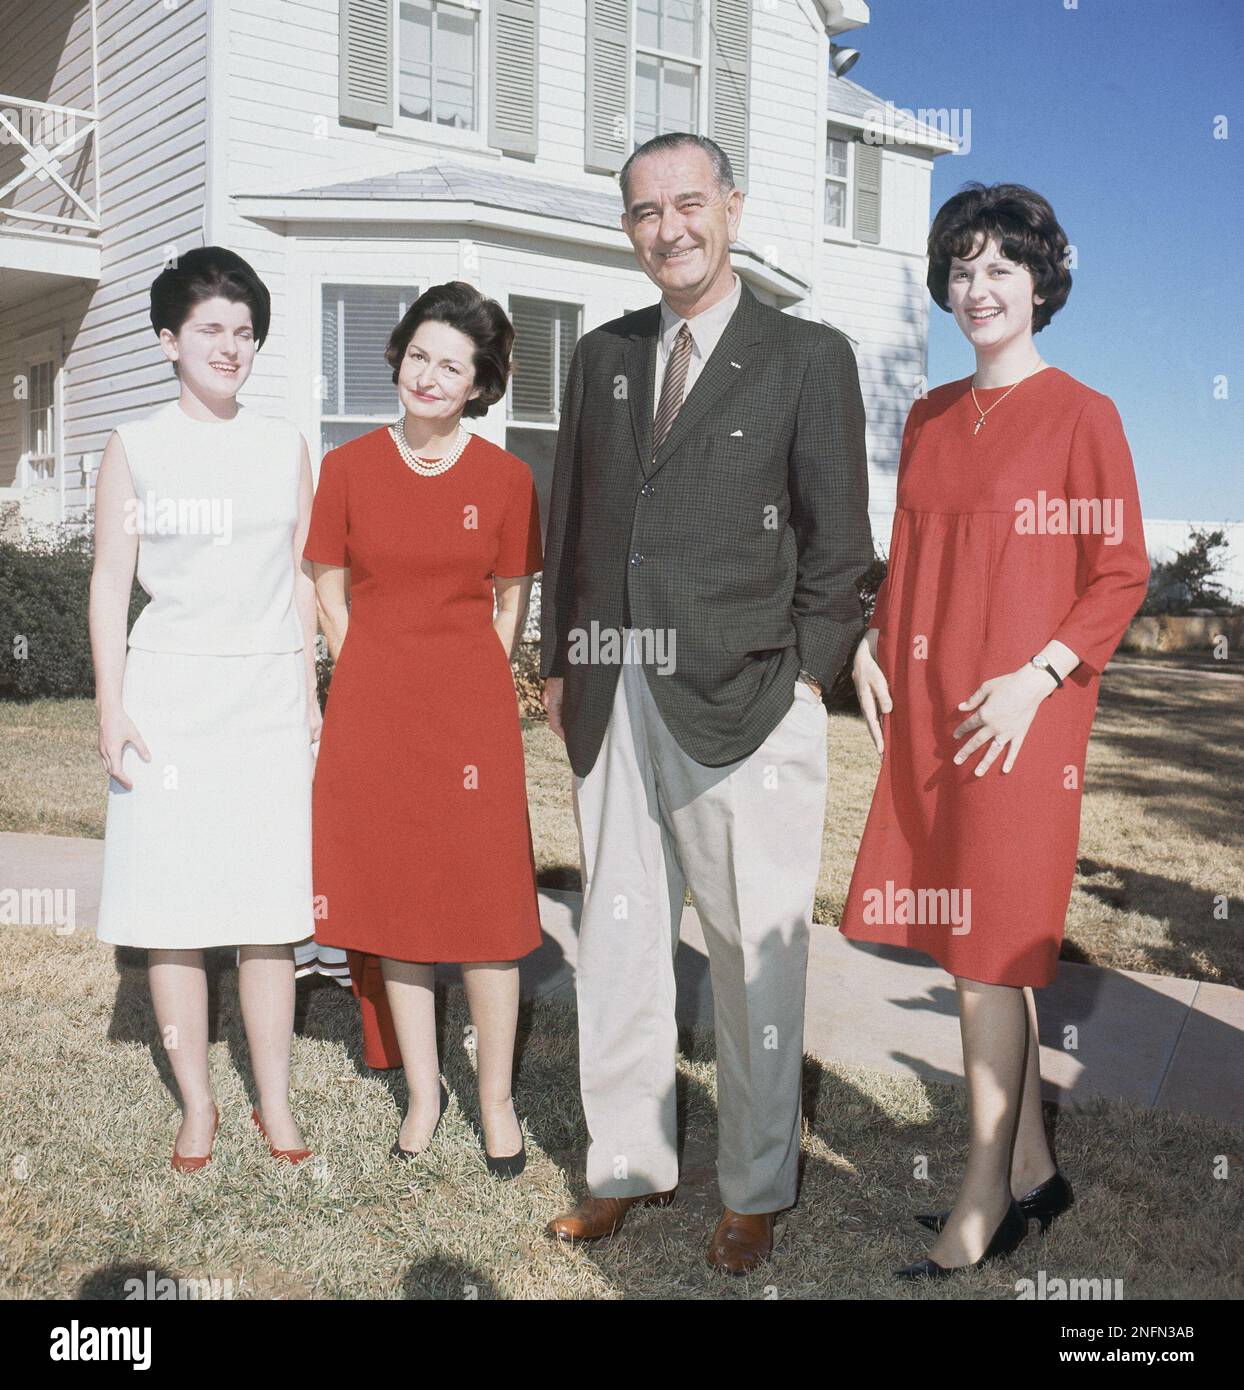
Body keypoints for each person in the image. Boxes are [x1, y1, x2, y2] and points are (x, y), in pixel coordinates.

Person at [540, 133, 873, 1273]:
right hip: (614, 688)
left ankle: (753, 1186)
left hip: (748, 698)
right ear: (627, 228)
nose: (667, 227)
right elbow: (571, 523)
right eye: (644, 211)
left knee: (751, 956)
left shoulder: (806, 356)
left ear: (730, 206)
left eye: (687, 203)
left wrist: (806, 680)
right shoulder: (601, 356)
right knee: (619, 946)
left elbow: (840, 553)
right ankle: (624, 1165)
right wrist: (560, 662)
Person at [839, 183, 1150, 1279]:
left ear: (1038, 281)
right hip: (930, 703)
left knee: (988, 946)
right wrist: (873, 641)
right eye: (960, 268)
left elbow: (1118, 571)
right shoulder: (926, 414)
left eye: (998, 268)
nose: (977, 287)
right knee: (981, 937)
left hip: (1022, 717)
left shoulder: (1081, 413)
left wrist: (1036, 677)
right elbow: (908, 555)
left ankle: (980, 1192)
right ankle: (1031, 1168)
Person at [304, 281, 543, 1178]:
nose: (430, 376)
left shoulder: (508, 479)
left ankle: (497, 1099)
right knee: (397, 903)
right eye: (418, 356)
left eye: (453, 365)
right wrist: (370, 665)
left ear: (480, 384)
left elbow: (512, 598)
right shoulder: (350, 467)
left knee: (485, 909)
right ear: (397, 358)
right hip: (373, 708)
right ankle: (423, 1092)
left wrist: (466, 680)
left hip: (471, 715)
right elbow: (326, 581)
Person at [91, 247, 319, 1170]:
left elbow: (306, 581)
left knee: (267, 911)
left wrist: (310, 692)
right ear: (168, 339)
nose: (232, 347)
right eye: (213, 330)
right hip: (169, 698)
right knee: (173, 913)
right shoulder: (135, 446)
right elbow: (110, 584)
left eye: (245, 332)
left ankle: (275, 1102)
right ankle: (198, 1106)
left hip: (265, 694)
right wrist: (110, 709)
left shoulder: (284, 445)